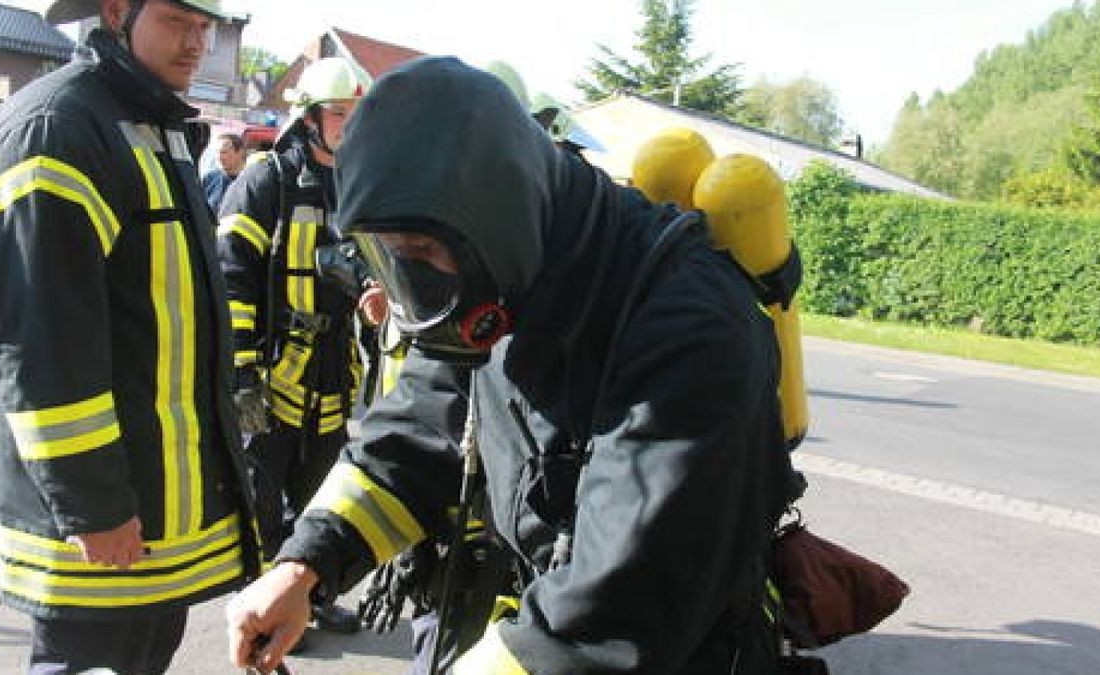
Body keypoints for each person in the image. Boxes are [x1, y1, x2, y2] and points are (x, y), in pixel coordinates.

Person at [227, 56, 799, 674]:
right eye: (393, 258)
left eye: (422, 252)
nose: (416, 284)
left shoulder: (690, 326)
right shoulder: (506, 272)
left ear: (493, 218)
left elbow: (613, 612)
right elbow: (415, 434)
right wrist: (303, 567)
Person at [0, 1, 261, 673]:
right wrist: (91, 501)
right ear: (116, 10)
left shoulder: (150, 124)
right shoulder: (58, 126)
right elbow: (40, 341)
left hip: (155, 515)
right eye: (174, 20)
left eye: (204, 27)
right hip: (106, 520)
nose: (195, 43)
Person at [216, 55, 378, 634]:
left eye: (356, 116)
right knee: (262, 497)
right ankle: (262, 609)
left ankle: (309, 594)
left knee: (322, 487)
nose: (349, 127)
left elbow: (377, 266)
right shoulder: (268, 180)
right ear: (309, 117)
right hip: (272, 367)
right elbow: (231, 278)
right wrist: (240, 373)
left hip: (335, 367)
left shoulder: (358, 183)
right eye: (339, 114)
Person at [202, 131, 245, 211]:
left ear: (240, 152)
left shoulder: (248, 181)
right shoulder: (209, 179)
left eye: (224, 152)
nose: (219, 157)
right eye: (217, 152)